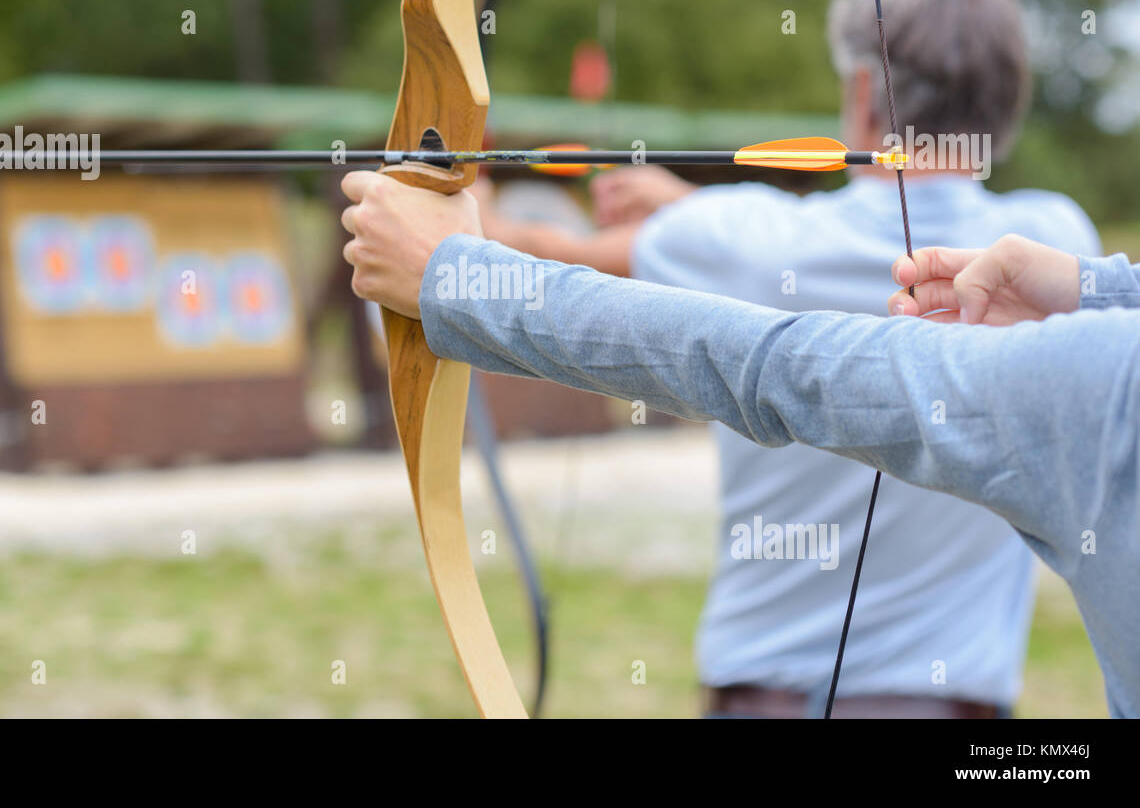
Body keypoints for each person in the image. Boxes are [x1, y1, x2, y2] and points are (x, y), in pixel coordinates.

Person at [471, 0, 1100, 717]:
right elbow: (843, 239)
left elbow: (519, 251)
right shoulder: (1058, 244)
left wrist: (464, 191)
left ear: (866, 93)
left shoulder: (740, 240)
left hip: (760, 699)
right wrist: (695, 209)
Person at [338, 172, 1139, 717]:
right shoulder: (1057, 228)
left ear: (862, 85)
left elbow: (772, 365)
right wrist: (1101, 289)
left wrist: (455, 269)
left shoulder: (1098, 380)